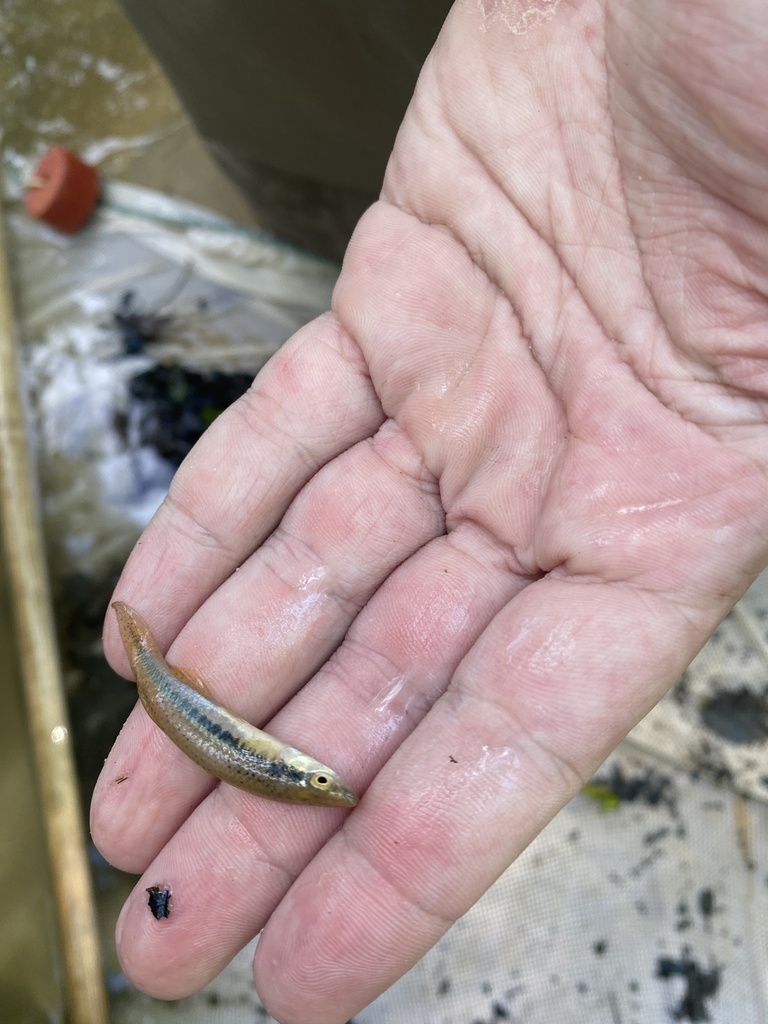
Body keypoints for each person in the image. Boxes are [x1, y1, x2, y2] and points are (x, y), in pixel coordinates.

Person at [90, 1, 768, 1021]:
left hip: (524, 94)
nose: (319, 777)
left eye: (315, 780)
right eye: (313, 781)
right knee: (298, 157)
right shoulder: (295, 769)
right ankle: (312, 233)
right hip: (401, 103)